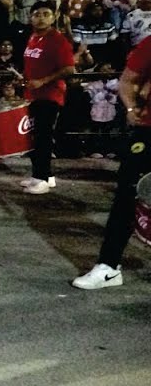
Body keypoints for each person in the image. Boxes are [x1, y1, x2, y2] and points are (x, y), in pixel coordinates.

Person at [72, 36, 151, 289]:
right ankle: (109, 267)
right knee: (128, 195)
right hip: (148, 130)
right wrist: (129, 109)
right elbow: (128, 81)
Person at [19, 2, 77, 194]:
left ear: (53, 17)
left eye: (46, 14)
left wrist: (43, 81)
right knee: (35, 137)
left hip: (50, 95)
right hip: (33, 95)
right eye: (37, 14)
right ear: (31, 17)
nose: (41, 17)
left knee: (43, 137)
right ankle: (43, 175)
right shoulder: (33, 37)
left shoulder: (58, 40)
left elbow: (70, 68)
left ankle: (42, 179)